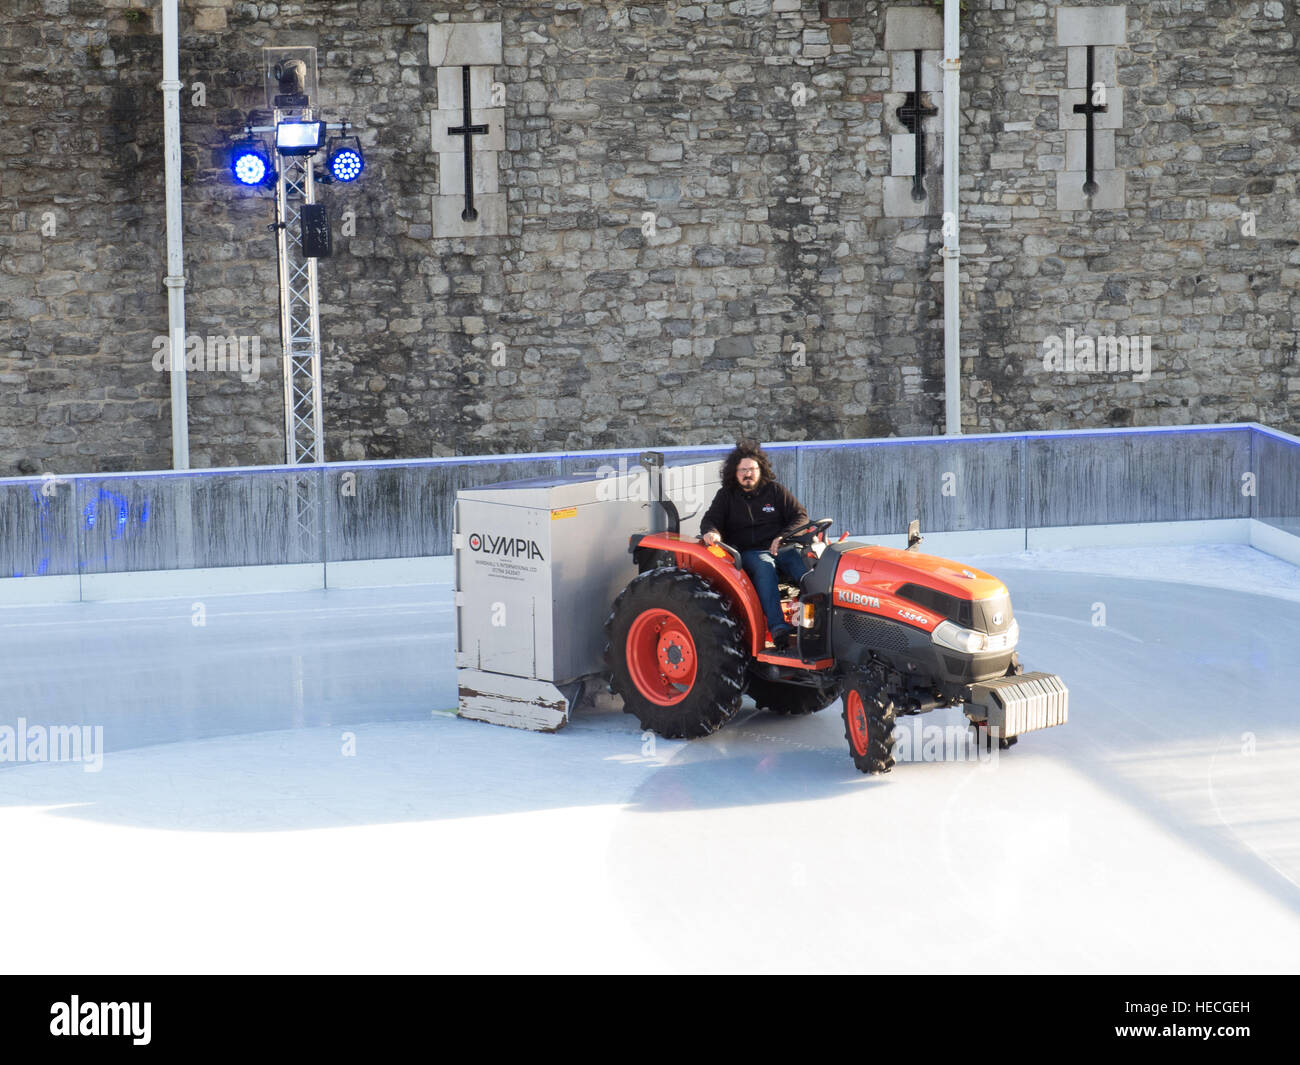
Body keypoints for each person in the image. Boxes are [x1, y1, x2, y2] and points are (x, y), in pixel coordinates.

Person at [699, 440, 811, 649]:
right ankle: (778, 628)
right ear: (734, 472)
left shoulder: (775, 491)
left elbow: (801, 516)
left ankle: (812, 623)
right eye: (742, 470)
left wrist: (783, 537)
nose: (747, 474)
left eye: (751, 469)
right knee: (764, 566)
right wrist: (712, 533)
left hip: (783, 547)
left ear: (761, 469)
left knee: (808, 572)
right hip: (751, 552)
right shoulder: (726, 496)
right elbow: (710, 520)